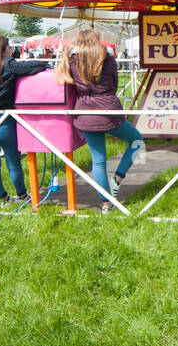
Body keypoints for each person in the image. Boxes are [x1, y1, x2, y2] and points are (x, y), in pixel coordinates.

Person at [56, 29, 142, 213]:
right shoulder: (108, 59)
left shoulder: (71, 61)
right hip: (109, 111)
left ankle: (106, 204)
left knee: (98, 161)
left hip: (85, 113)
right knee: (136, 141)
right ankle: (117, 179)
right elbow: (114, 83)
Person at [0, 34, 47, 203]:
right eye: (9, 47)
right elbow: (31, 66)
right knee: (14, 163)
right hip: (4, 120)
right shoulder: (9, 64)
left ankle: (3, 199)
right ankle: (22, 196)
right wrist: (45, 64)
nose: (11, 50)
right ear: (2, 49)